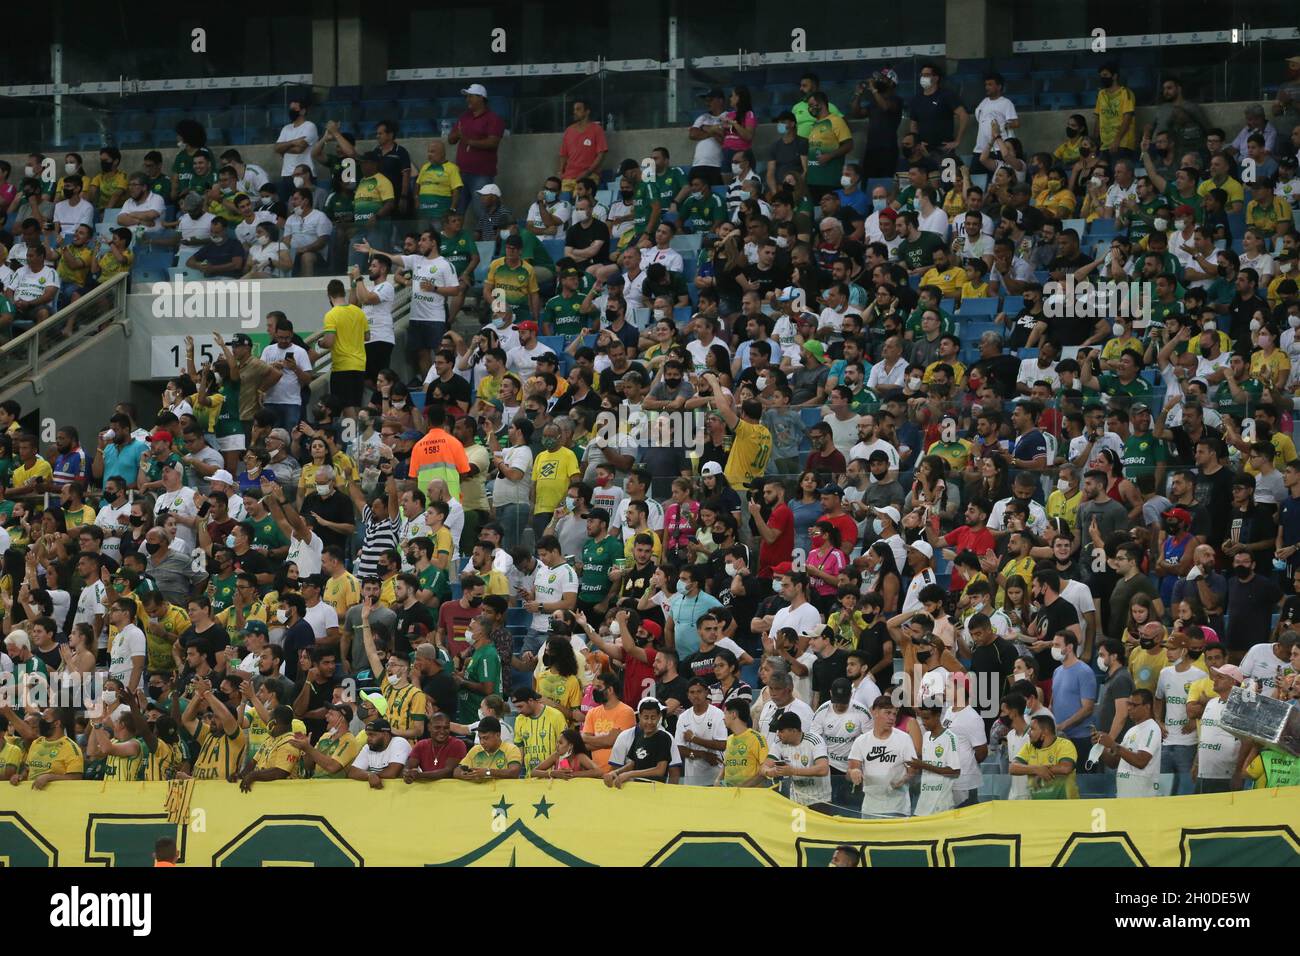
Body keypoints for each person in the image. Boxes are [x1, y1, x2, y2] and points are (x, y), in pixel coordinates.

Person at [1096, 688, 1162, 797]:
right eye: (1128, 704)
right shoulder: (1131, 731)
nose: (1129, 708)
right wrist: (1101, 746)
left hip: (1142, 796)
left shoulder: (1152, 728)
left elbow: (1141, 761)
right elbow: (1114, 763)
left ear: (1147, 707)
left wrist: (1113, 744)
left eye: (1134, 705)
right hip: (1124, 795)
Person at [605, 697, 676, 787]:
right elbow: (633, 763)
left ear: (659, 717)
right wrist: (615, 772)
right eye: (646, 718)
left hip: (656, 790)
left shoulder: (664, 737)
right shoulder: (638, 736)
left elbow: (660, 770)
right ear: (639, 717)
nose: (649, 722)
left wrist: (630, 774)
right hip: (637, 789)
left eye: (653, 718)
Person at [1009, 714, 1078, 799]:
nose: (1028, 732)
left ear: (1045, 732)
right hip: (1038, 808)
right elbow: (1012, 768)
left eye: (1032, 729)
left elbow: (1066, 768)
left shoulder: (1064, 744)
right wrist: (1036, 769)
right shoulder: (1029, 747)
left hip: (1065, 806)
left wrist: (1042, 770)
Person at [908, 704, 961, 816]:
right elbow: (927, 762)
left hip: (941, 805)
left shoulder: (950, 738)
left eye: (927, 718)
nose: (923, 722)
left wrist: (923, 765)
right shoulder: (926, 736)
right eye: (922, 718)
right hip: (925, 802)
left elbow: (955, 771)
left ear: (937, 716)